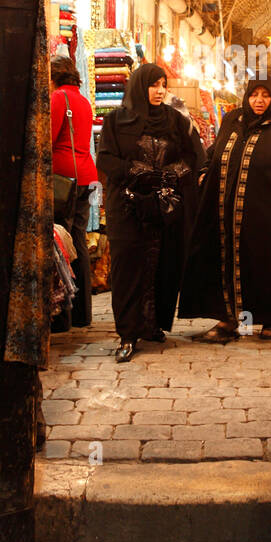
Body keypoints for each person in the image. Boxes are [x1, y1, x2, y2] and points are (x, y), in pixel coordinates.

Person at [178, 78, 271, 342]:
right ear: (246, 96)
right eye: (254, 94)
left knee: (269, 265)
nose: (259, 100)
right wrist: (204, 170)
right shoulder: (233, 121)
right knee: (227, 264)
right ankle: (228, 319)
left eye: (265, 95)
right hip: (226, 213)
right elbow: (216, 150)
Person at [96, 63, 204, 362]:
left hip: (164, 206)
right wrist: (135, 173)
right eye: (153, 85)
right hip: (129, 207)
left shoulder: (174, 120)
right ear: (138, 87)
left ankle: (153, 324)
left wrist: (171, 174)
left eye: (162, 85)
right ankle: (128, 333)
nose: (159, 91)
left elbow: (192, 155)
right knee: (128, 268)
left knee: (163, 264)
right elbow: (105, 158)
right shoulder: (117, 121)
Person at [51, 56, 97, 331]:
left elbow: (49, 136)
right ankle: (82, 313)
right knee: (78, 241)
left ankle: (62, 316)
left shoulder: (59, 98)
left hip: (63, 180)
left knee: (61, 242)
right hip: (86, 176)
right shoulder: (82, 100)